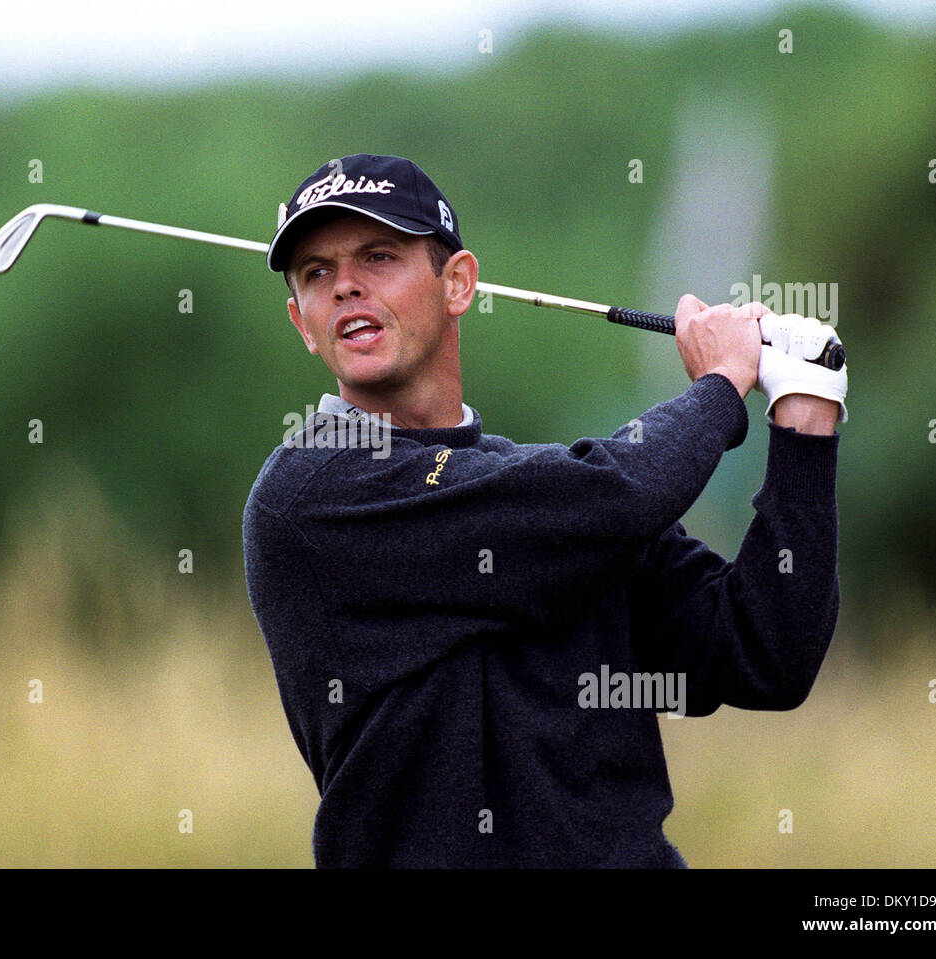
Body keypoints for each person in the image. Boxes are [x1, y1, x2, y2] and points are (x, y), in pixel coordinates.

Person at [241, 154, 847, 868]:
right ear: (302, 323)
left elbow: (765, 653)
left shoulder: (548, 499)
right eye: (316, 272)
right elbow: (612, 496)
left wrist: (805, 416)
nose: (345, 285)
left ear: (458, 283)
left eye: (379, 256)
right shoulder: (312, 491)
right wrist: (721, 381)